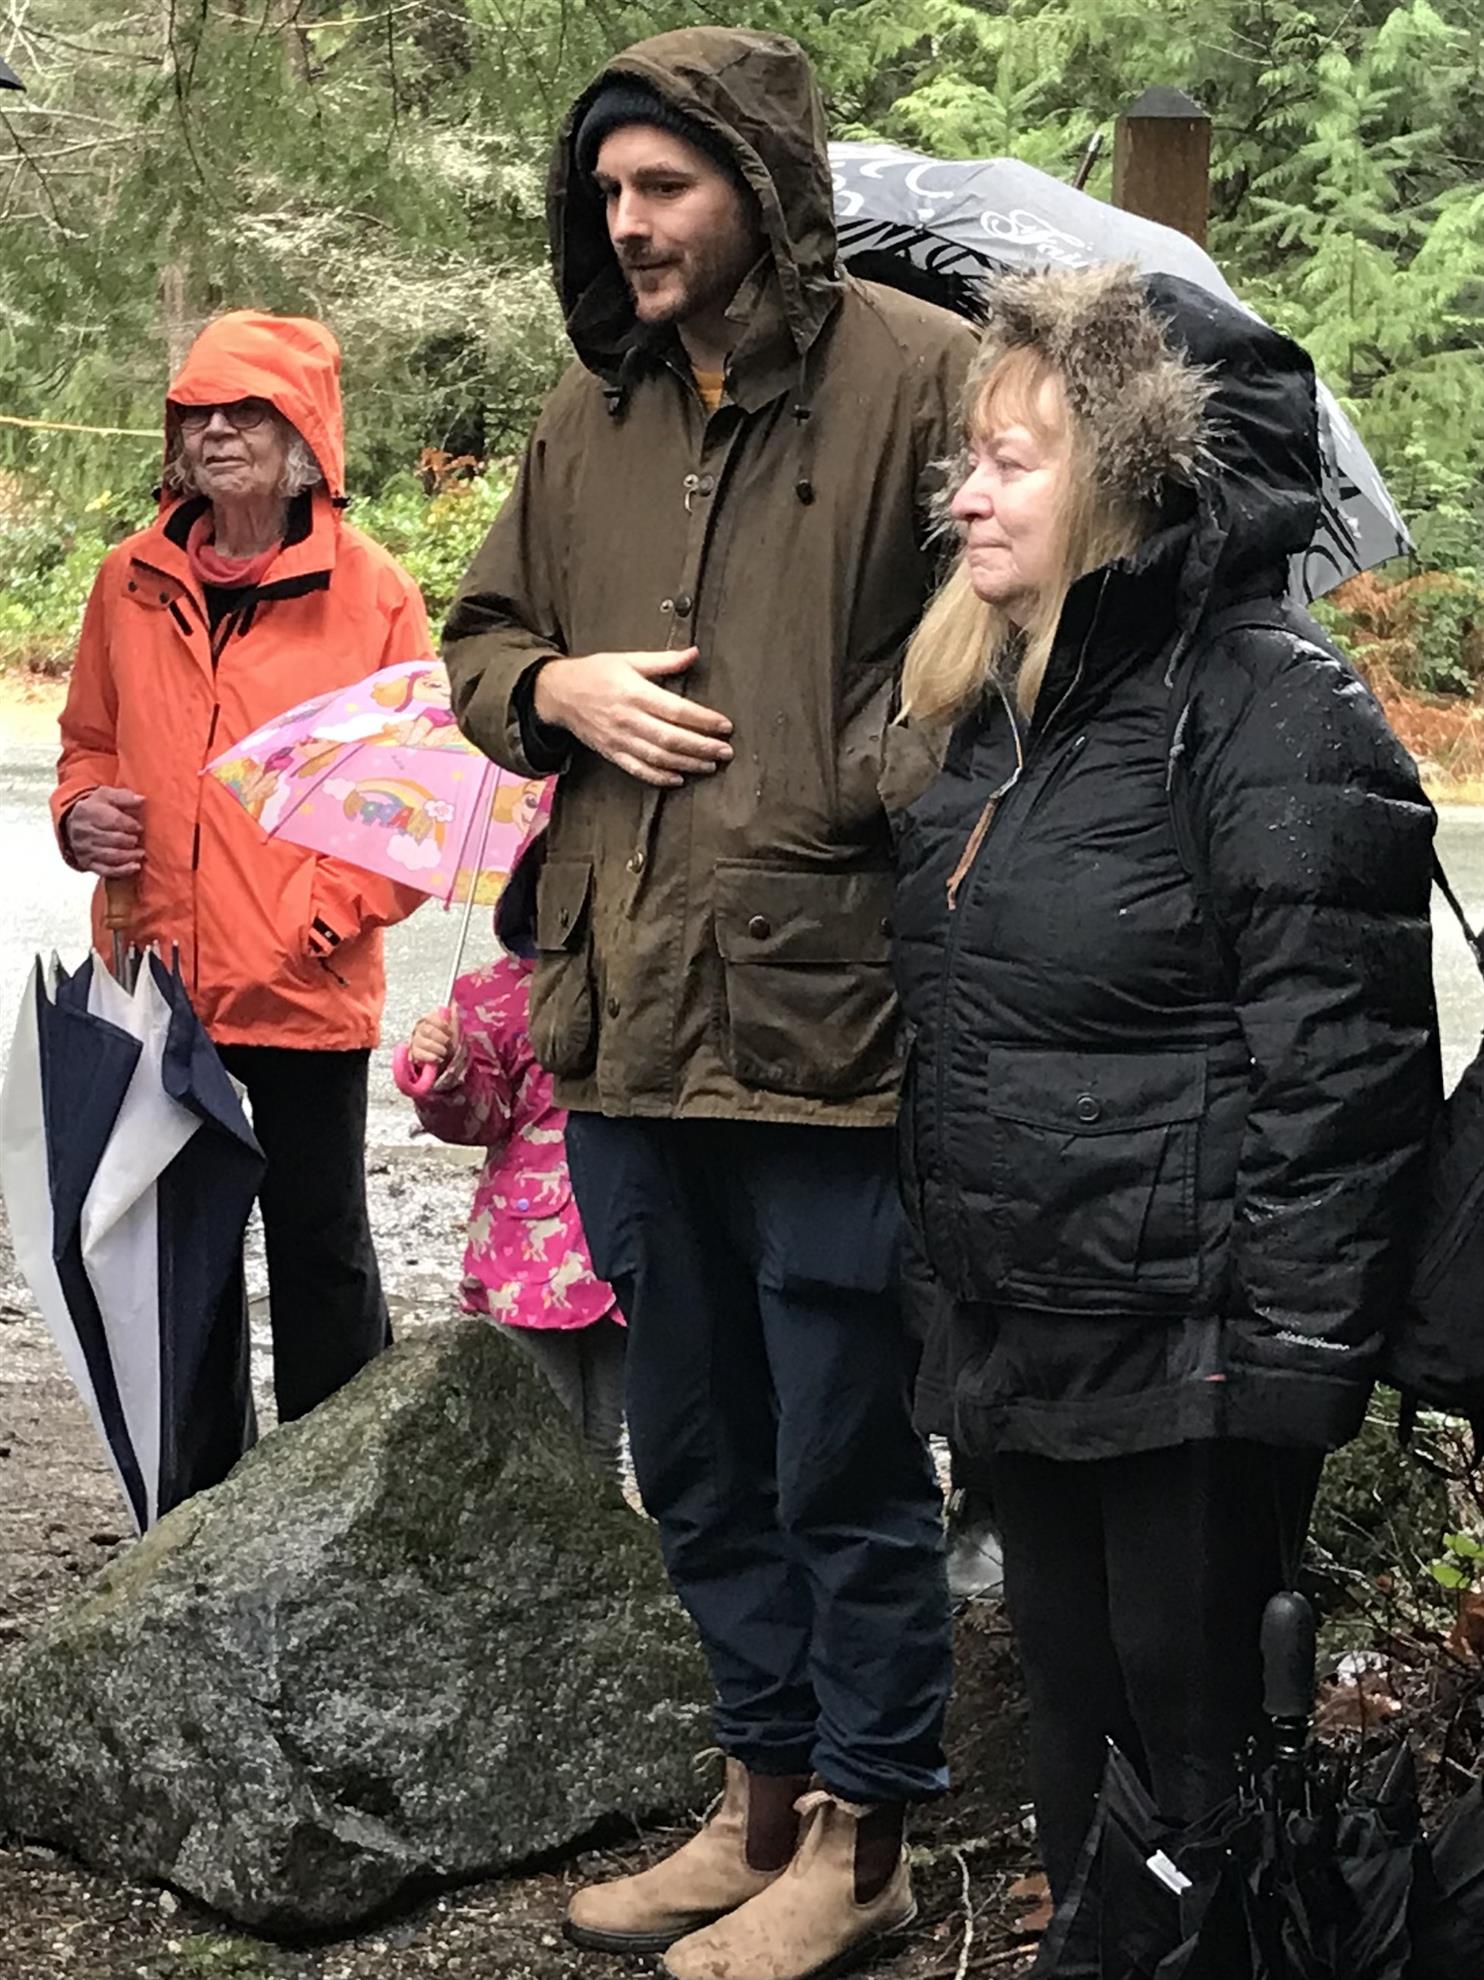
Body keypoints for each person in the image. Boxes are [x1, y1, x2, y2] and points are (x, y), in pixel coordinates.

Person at [442, 27, 976, 1980]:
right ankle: (757, 1800)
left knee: (843, 1456)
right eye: (604, 191)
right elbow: (477, 640)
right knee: (690, 1448)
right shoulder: (587, 412)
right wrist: (556, 689)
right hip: (626, 1016)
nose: (626, 222)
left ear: (759, 186)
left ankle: (864, 1837)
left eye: (661, 185)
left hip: (830, 1032)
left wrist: (844, 779)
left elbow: (1011, 644)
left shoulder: (924, 379)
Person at [890, 263, 1440, 1901]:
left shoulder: (1272, 711)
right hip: (1031, 1324)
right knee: (1075, 1725)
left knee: (1201, 1753)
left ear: (1130, 477)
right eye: (968, 456)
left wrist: (1289, 1362)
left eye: (1012, 459)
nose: (964, 494)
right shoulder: (1003, 709)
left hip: (1194, 1357)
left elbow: (1341, 1074)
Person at [53, 310, 431, 1454]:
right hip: (156, 978)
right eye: (197, 413)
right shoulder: (129, 579)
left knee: (320, 1249)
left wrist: (319, 916)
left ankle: (336, 1489)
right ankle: (197, 1500)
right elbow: (88, 743)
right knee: (181, 1258)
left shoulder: (371, 592)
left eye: (245, 412)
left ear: (302, 434)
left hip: (303, 982)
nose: (215, 432)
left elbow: (414, 798)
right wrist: (80, 814)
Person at [403, 786, 627, 1475]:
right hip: (530, 1249)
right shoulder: (492, 994)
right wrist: (443, 1069)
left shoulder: (649, 982)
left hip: (628, 1231)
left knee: (606, 1433)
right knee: (546, 1428)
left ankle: (598, 1529)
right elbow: (483, 1116)